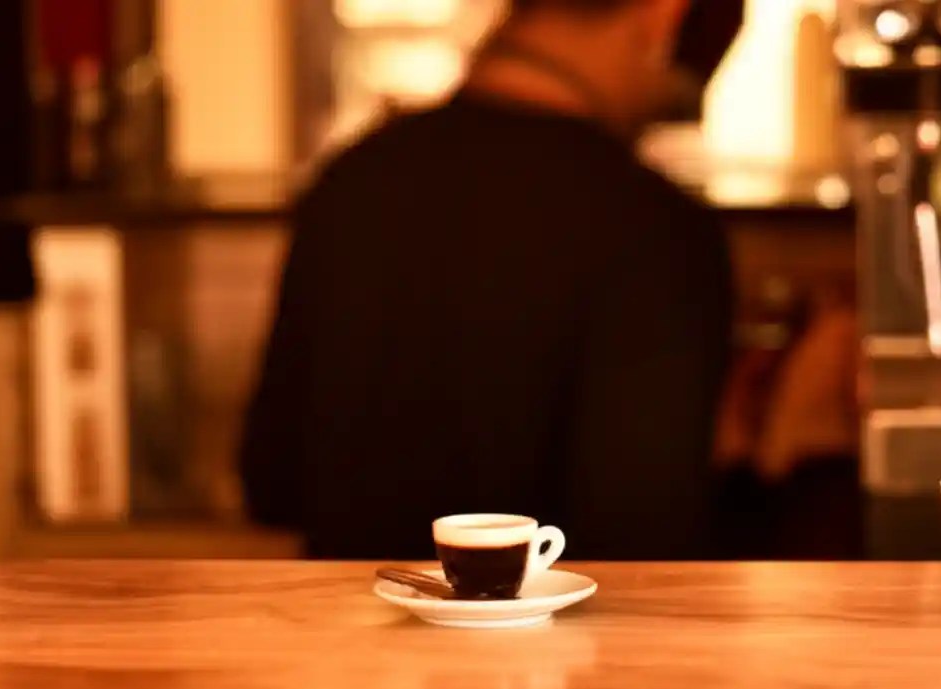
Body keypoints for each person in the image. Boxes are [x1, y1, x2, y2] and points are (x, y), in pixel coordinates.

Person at [240, 0, 736, 560]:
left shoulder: (351, 182)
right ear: (661, 18)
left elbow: (272, 484)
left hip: (346, 635)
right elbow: (648, 534)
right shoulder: (656, 230)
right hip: (559, 645)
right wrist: (774, 461)